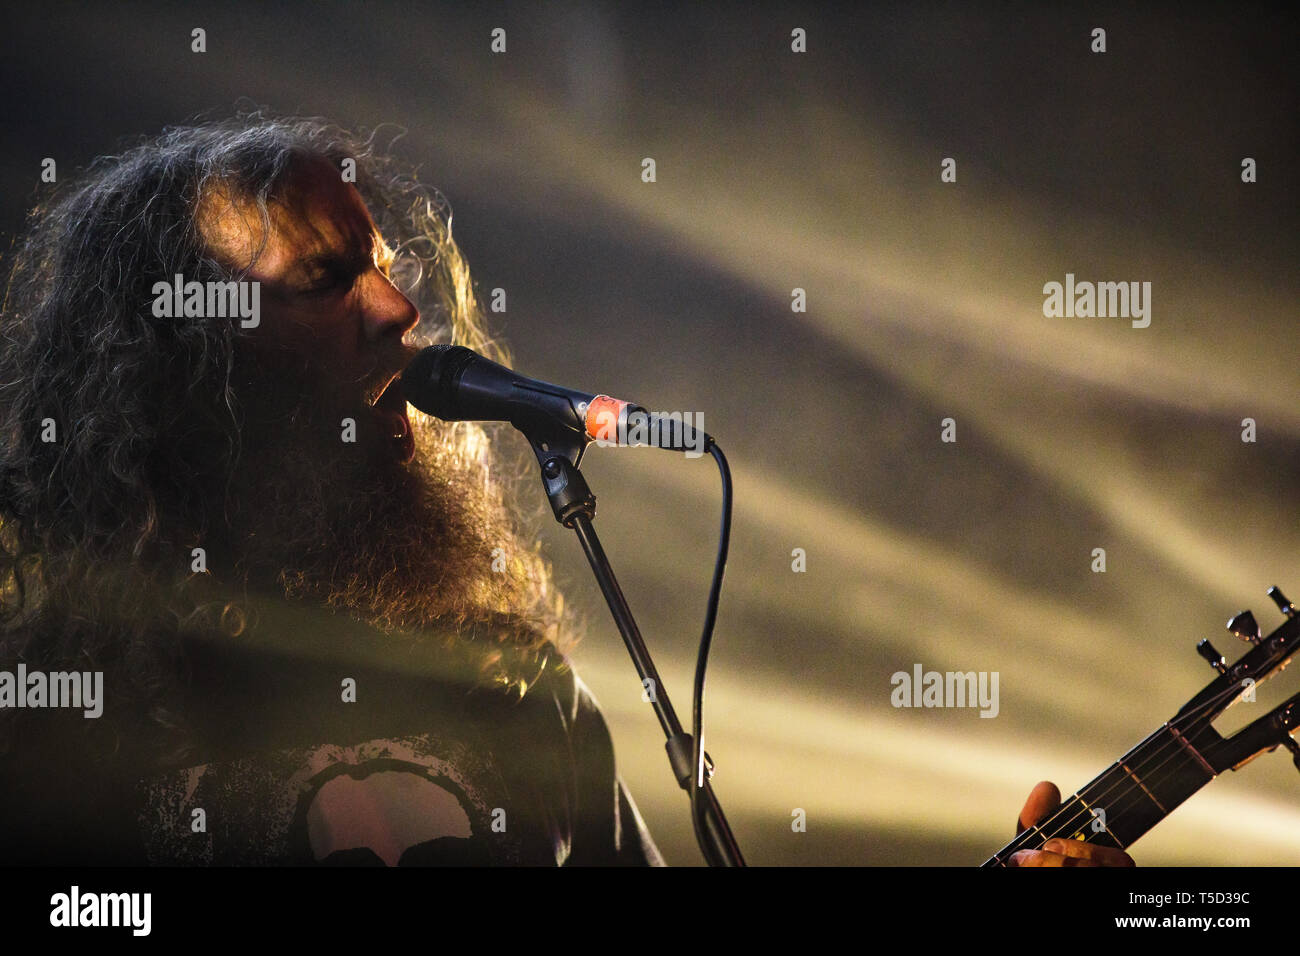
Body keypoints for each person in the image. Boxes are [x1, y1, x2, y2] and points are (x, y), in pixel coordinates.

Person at [0, 113, 1131, 867]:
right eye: (323, 278)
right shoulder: (56, 711)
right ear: (185, 363)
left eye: (386, 267)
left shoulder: (509, 684)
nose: (400, 312)